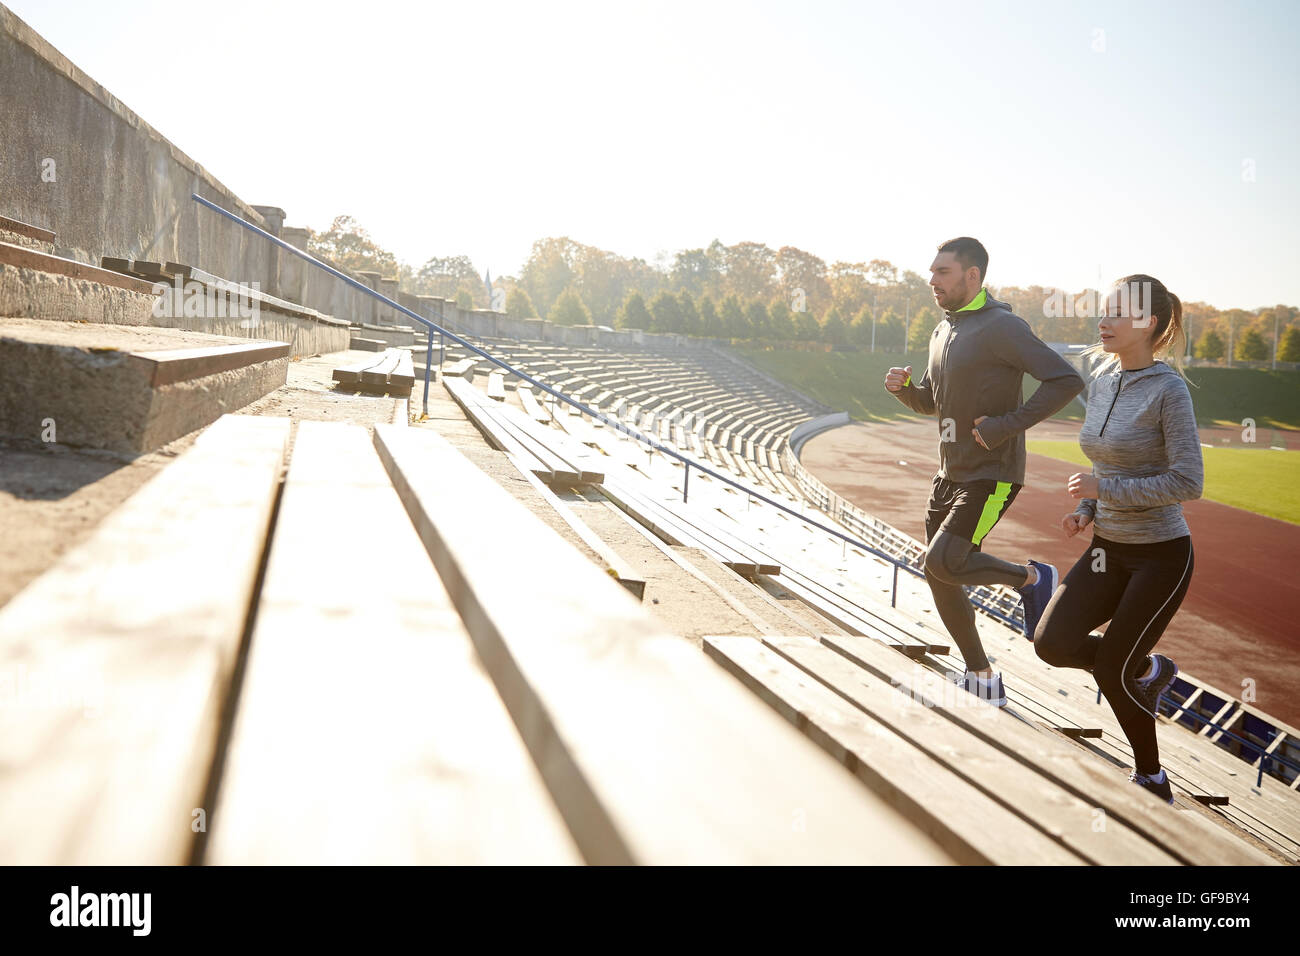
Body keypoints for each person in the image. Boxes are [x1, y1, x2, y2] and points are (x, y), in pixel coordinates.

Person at [885, 237, 1085, 707]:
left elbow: (1065, 379)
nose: (932, 280)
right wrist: (905, 390)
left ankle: (1033, 579)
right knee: (941, 573)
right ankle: (982, 676)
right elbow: (931, 401)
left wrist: (1004, 427)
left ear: (972, 276)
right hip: (947, 474)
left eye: (943, 272)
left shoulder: (1003, 326)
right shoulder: (942, 331)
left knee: (944, 561)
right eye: (932, 272)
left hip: (991, 474)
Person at [1032, 275, 1202, 804]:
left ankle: (1153, 779)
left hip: (1160, 556)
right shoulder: (1103, 378)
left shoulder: (1168, 390)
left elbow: (1188, 482)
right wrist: (1087, 507)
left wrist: (1104, 489)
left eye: (1116, 314)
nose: (1102, 322)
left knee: (1111, 669)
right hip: (1107, 548)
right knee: (1051, 644)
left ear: (1148, 323)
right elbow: (1104, 461)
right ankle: (1150, 671)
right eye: (1102, 312)